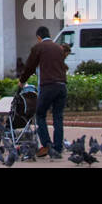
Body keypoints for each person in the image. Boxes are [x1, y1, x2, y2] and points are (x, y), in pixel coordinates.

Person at [18, 26, 73, 158]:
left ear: (39, 37)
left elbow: (30, 66)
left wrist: (22, 81)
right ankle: (58, 148)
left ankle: (47, 145)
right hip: (62, 86)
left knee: (40, 115)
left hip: (48, 86)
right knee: (58, 117)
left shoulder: (39, 48)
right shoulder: (58, 48)